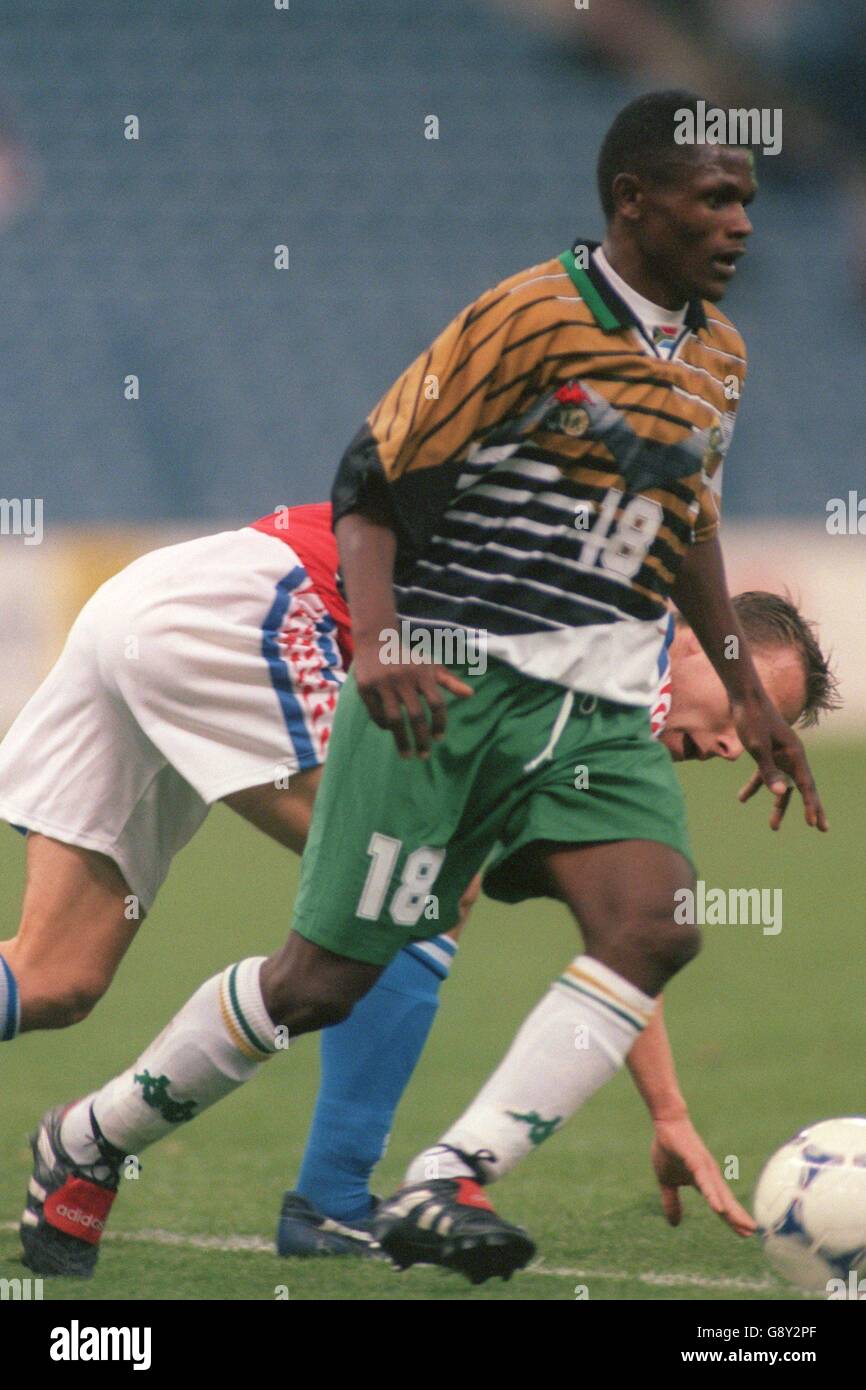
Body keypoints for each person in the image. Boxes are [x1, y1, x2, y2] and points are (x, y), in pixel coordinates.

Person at [11, 89, 827, 1284]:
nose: (742, 222)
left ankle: (138, 1154)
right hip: (257, 609)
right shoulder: (535, 340)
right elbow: (375, 471)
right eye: (716, 196)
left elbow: (621, 916)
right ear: (632, 200)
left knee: (56, 976)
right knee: (416, 917)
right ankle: (336, 1199)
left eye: (750, 200)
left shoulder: (700, 390)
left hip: (171, 601)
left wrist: (660, 1105)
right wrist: (387, 640)